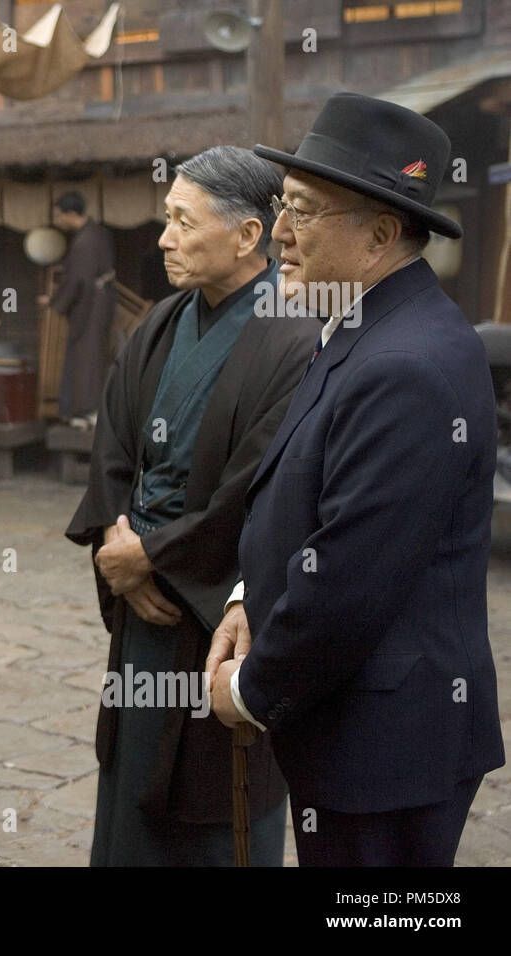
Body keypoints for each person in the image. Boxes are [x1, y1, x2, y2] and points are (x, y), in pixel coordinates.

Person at [207, 93, 505, 866]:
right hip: (355, 724)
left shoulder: (408, 363)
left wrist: (249, 690)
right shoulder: (362, 326)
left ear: (379, 234)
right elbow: (304, 496)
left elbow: (351, 572)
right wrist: (249, 598)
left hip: (386, 743)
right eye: (284, 207)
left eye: (304, 212)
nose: (278, 233)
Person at [66, 146, 321, 865]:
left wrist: (154, 556)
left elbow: (264, 484)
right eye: (166, 219)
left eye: (183, 222)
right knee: (129, 801)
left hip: (212, 612)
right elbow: (113, 445)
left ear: (247, 236)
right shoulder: (160, 322)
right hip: (141, 598)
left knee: (215, 804)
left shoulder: (296, 335)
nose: (165, 239)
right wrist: (119, 544)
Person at [39, 192, 117, 427]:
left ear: (71, 214)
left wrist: (55, 302)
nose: (58, 220)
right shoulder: (96, 232)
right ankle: (88, 411)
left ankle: (85, 411)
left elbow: (78, 280)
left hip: (90, 304)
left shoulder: (85, 241)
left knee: (85, 357)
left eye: (59, 214)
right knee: (91, 356)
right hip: (98, 300)